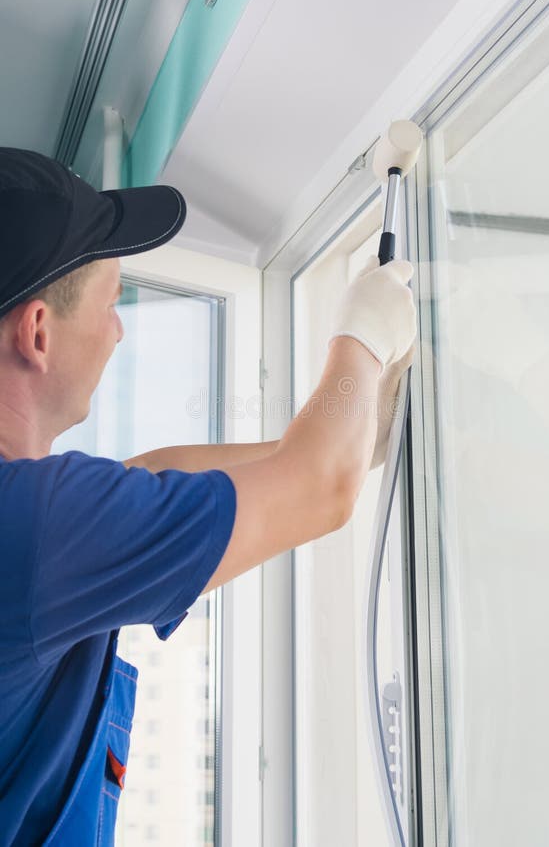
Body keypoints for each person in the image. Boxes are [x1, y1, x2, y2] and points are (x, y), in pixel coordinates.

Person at [0, 147, 416, 845]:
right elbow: (321, 488)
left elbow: (150, 480)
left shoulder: (32, 522)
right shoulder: (38, 530)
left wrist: (340, 430)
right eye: (111, 306)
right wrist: (363, 338)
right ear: (39, 333)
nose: (119, 329)